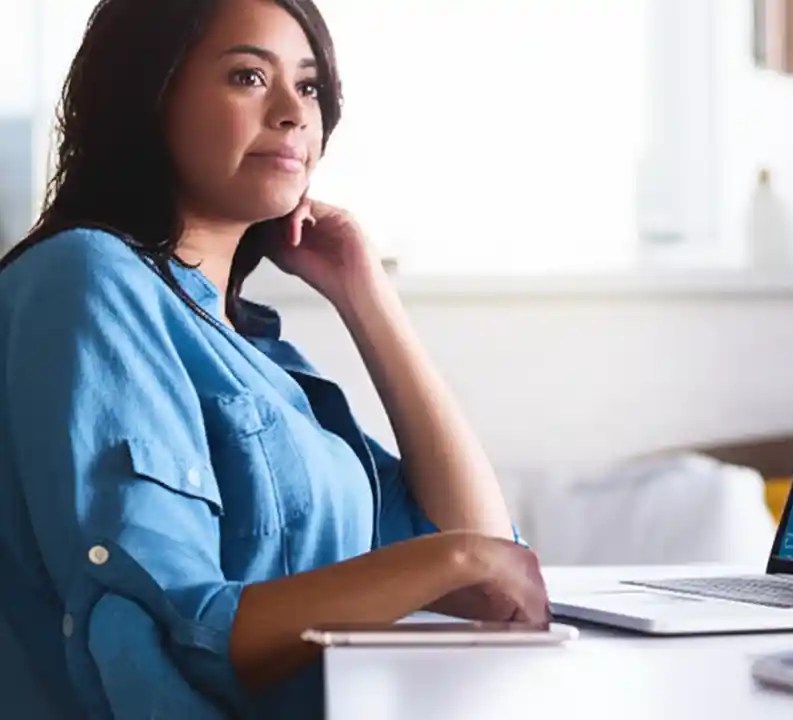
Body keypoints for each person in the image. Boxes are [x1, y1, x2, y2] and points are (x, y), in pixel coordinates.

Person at [0, 0, 550, 716]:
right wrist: (452, 564)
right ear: (151, 92)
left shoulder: (259, 354)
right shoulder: (87, 279)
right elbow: (159, 636)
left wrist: (365, 296)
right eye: (248, 77)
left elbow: (487, 568)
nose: (294, 112)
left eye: (311, 86)